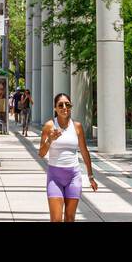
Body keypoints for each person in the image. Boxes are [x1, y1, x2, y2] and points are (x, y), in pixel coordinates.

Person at [37, 92, 97, 222]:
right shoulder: (49, 126)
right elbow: (41, 154)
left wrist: (91, 176)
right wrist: (50, 140)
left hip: (73, 176)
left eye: (68, 104)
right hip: (55, 177)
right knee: (56, 219)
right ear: (55, 108)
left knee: (70, 218)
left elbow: (84, 152)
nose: (64, 107)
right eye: (60, 105)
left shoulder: (77, 127)